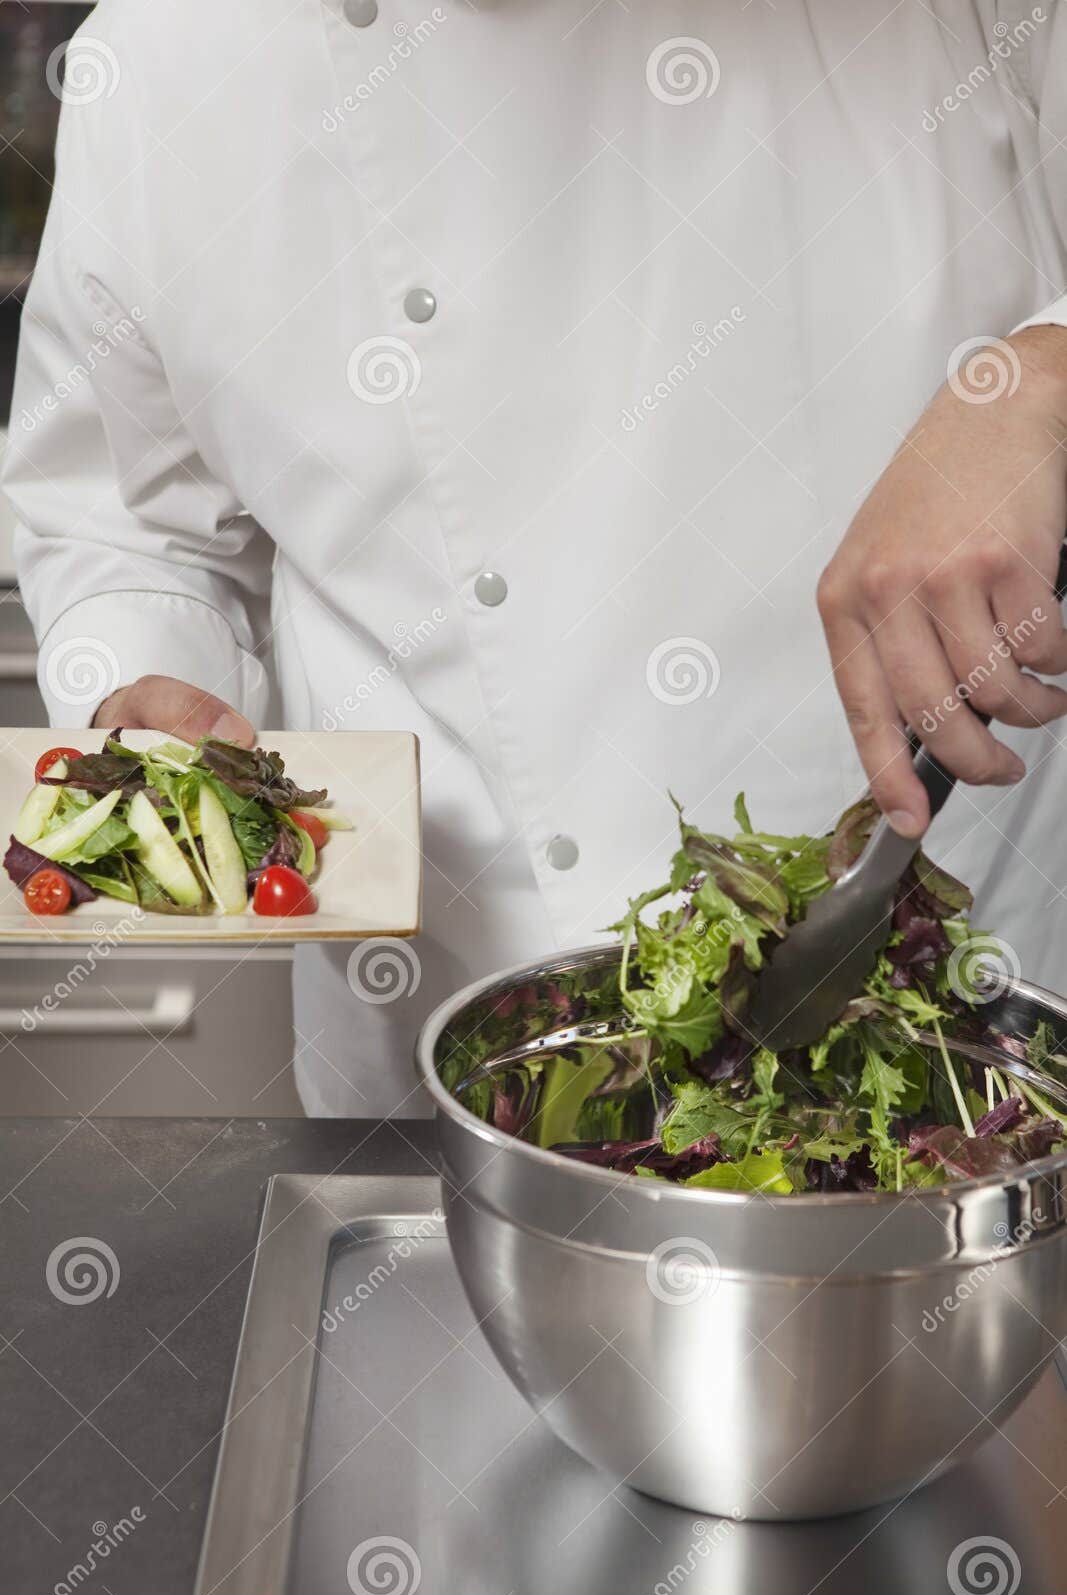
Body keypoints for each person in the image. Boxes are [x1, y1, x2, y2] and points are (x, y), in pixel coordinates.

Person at [5, 0, 1067, 1118]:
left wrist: (1040, 382)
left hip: (952, 1021)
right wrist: (155, 678)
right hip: (451, 1055)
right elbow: (127, 521)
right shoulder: (167, 54)